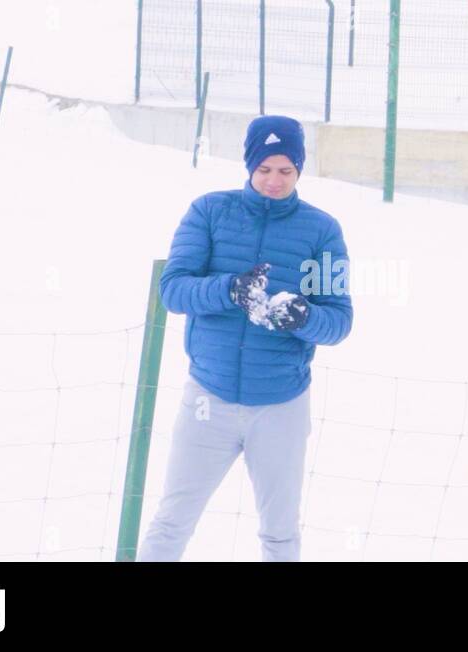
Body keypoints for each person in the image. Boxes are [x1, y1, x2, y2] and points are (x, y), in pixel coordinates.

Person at [137, 115, 353, 562]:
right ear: (249, 165)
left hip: (280, 406)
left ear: (299, 169)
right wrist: (230, 290)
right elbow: (173, 290)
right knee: (172, 520)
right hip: (208, 398)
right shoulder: (209, 212)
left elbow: (338, 320)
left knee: (280, 533)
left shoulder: (321, 231)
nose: (275, 180)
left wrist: (302, 316)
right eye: (265, 169)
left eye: (286, 170)